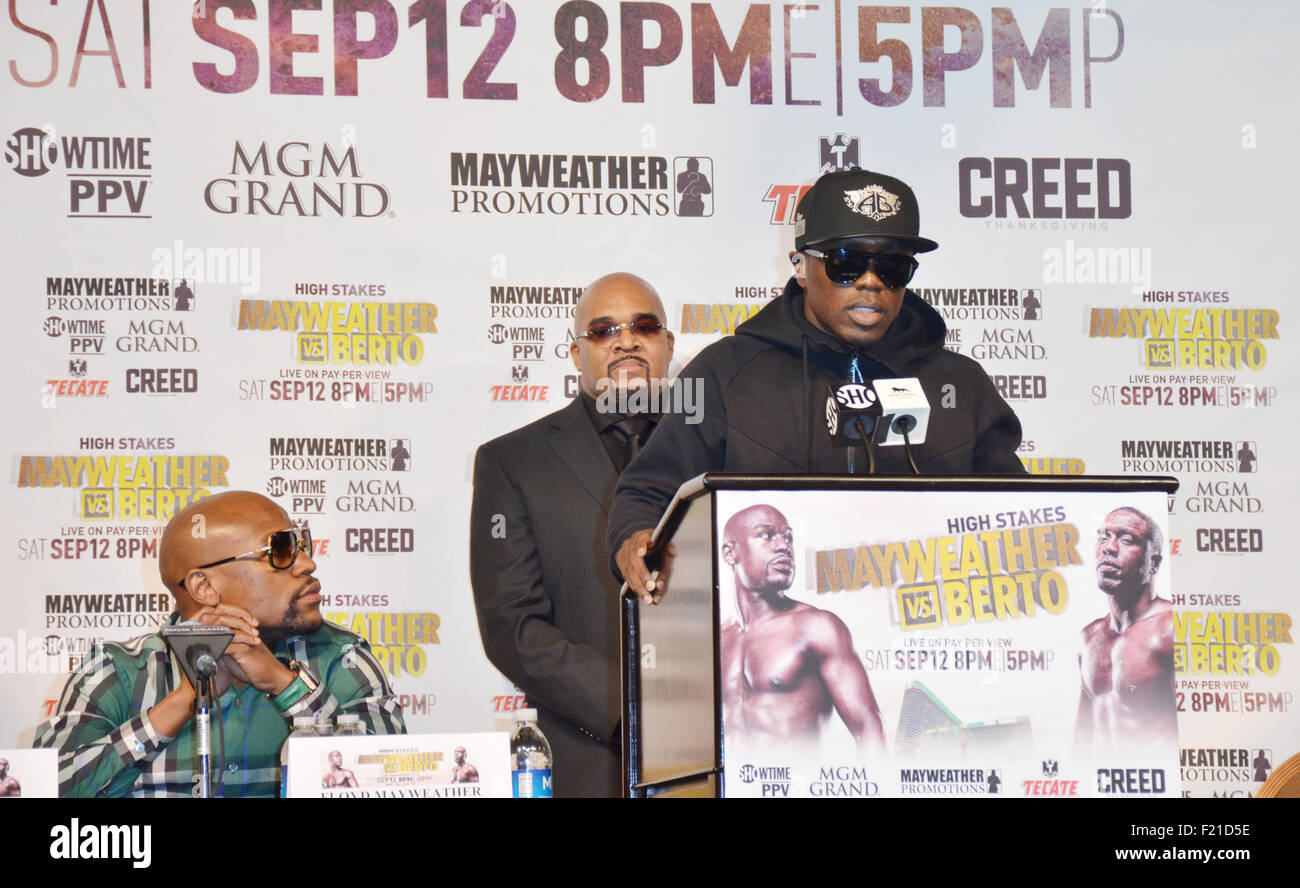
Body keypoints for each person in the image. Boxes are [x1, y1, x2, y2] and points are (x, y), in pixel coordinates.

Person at [610, 168, 1024, 602]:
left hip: (922, 633)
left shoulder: (960, 384)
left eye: (893, 267)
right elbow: (649, 491)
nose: (871, 282)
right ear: (801, 267)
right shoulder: (724, 373)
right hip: (780, 638)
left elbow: (1018, 517)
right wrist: (637, 536)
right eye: (846, 263)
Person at [34, 491, 405, 797]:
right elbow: (45, 791)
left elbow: (391, 786)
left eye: (301, 544)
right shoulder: (115, 670)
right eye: (280, 550)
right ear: (203, 587)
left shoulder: (342, 657)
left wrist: (285, 685)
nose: (307, 563)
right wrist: (183, 701)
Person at [470, 272, 675, 797]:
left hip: (727, 752)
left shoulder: (721, 451)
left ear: (668, 343)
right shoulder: (513, 461)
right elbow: (511, 624)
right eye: (603, 330)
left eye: (643, 326)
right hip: (590, 758)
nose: (625, 340)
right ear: (575, 352)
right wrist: (628, 706)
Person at [720, 505, 885, 756]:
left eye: (788, 538)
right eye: (766, 535)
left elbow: (868, 728)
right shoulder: (716, 642)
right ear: (730, 553)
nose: (783, 546)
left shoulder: (815, 627)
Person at [1076, 506, 1176, 751]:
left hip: (1160, 782)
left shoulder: (1170, 628)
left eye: (1127, 539)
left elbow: (1201, 726)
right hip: (1102, 784)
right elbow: (1083, 735)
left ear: (1154, 562)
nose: (1109, 548)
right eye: (1103, 537)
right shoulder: (1089, 637)